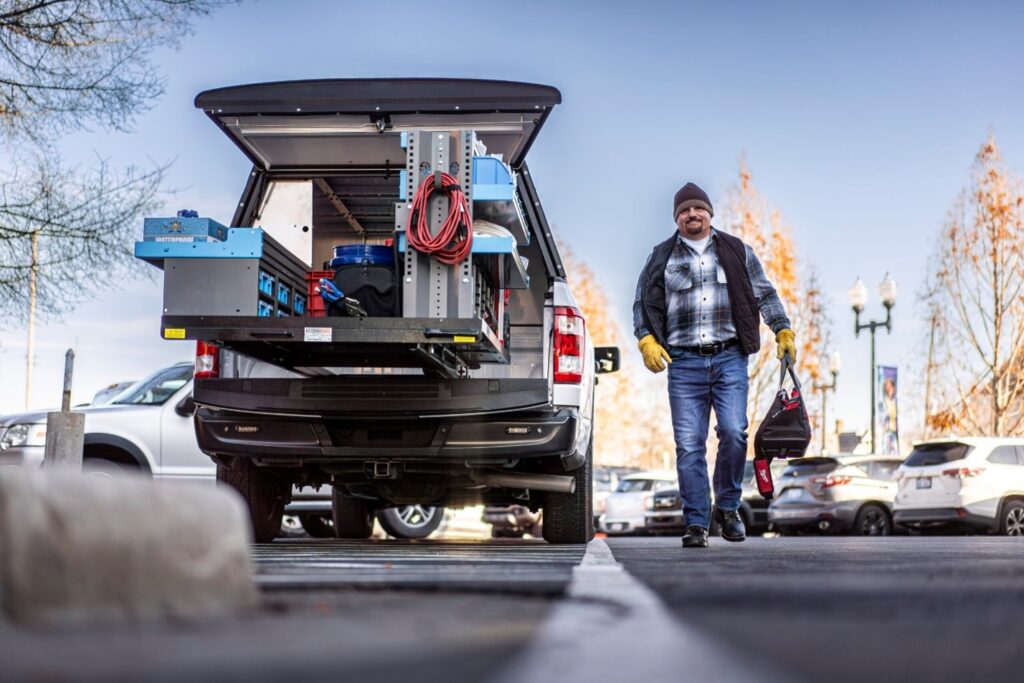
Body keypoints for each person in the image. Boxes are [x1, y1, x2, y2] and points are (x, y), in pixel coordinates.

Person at [633, 182, 796, 548]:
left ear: (709, 213)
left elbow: (764, 292)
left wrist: (782, 328)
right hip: (684, 362)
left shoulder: (737, 250)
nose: (692, 215)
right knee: (689, 444)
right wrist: (646, 339)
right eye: (684, 211)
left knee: (734, 431)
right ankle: (695, 523)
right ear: (677, 218)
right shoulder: (662, 256)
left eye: (698, 209)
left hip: (729, 357)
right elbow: (642, 303)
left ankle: (727, 507)